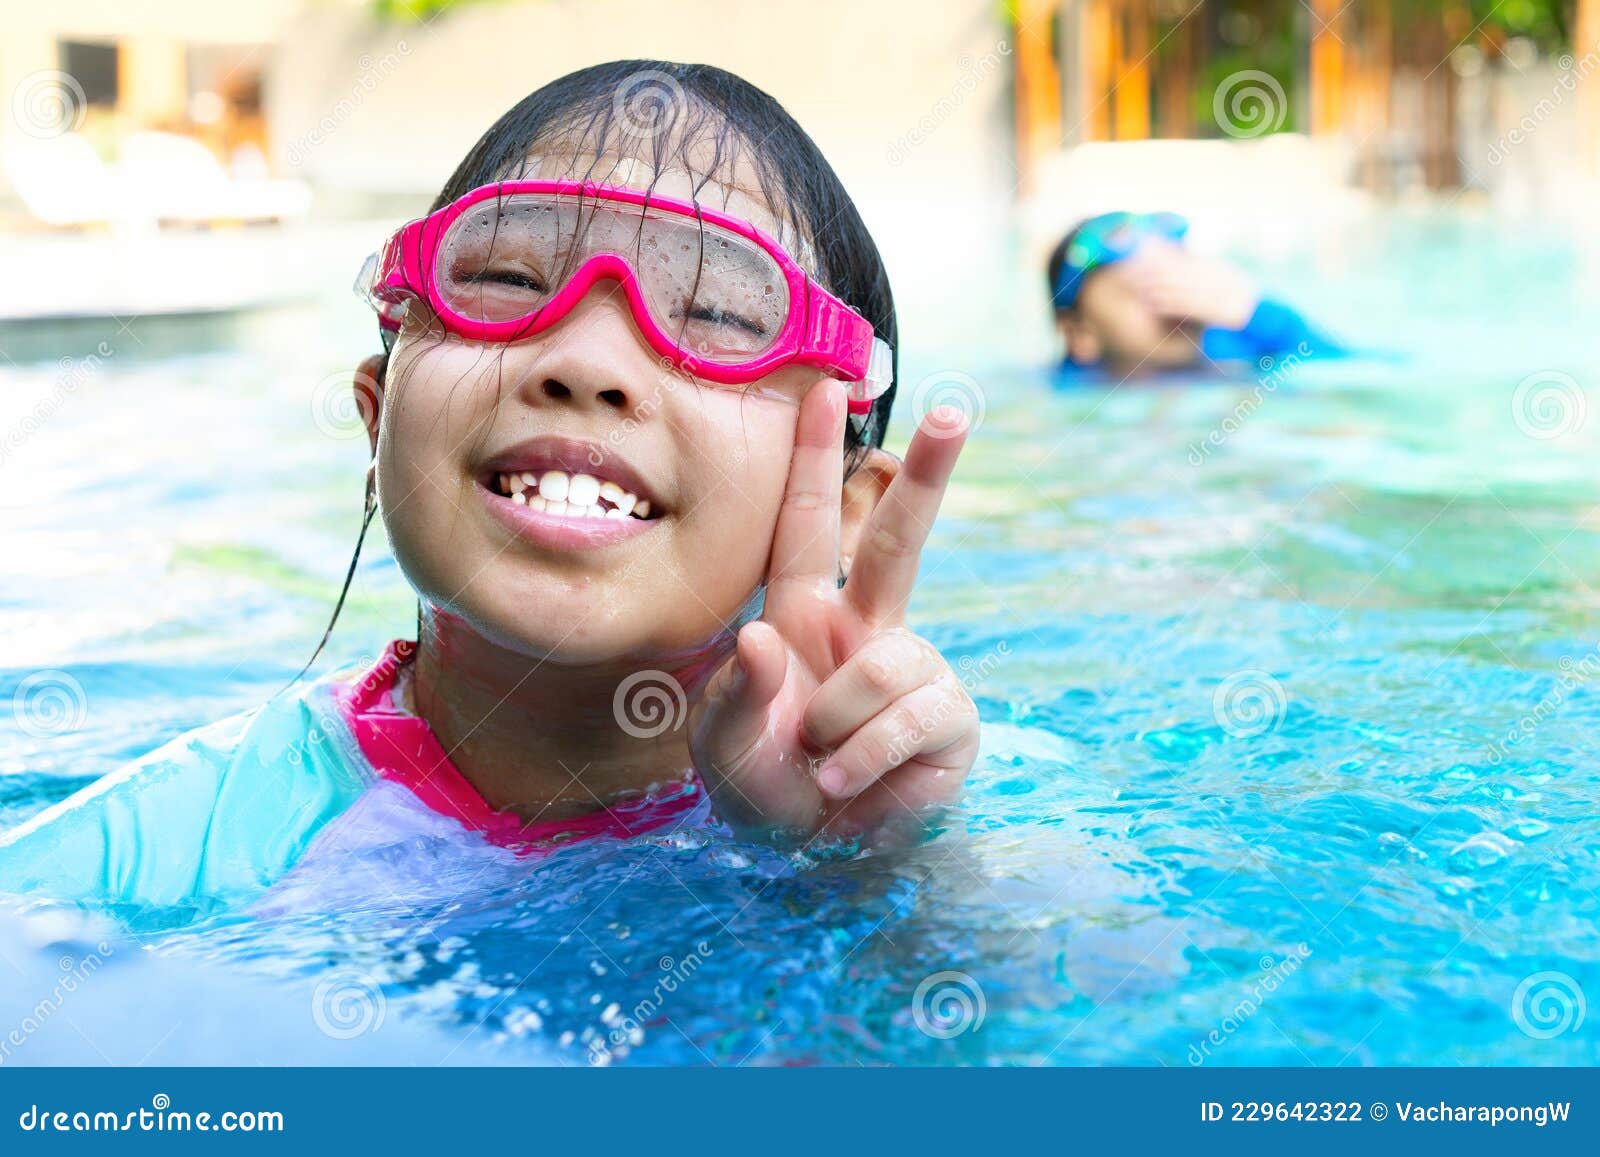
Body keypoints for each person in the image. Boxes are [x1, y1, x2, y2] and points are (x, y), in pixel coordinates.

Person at [0, 61, 979, 914]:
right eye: (508, 278)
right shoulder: (135, 861)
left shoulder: (924, 793)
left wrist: (857, 869)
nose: (587, 363)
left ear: (848, 508)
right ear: (379, 418)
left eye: (719, 313)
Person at [1046, 211, 1339, 372]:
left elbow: (1343, 371)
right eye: (1150, 291)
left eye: (1183, 283)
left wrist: (1252, 311)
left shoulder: (1229, 349)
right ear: (1079, 334)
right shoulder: (1068, 395)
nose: (1177, 308)